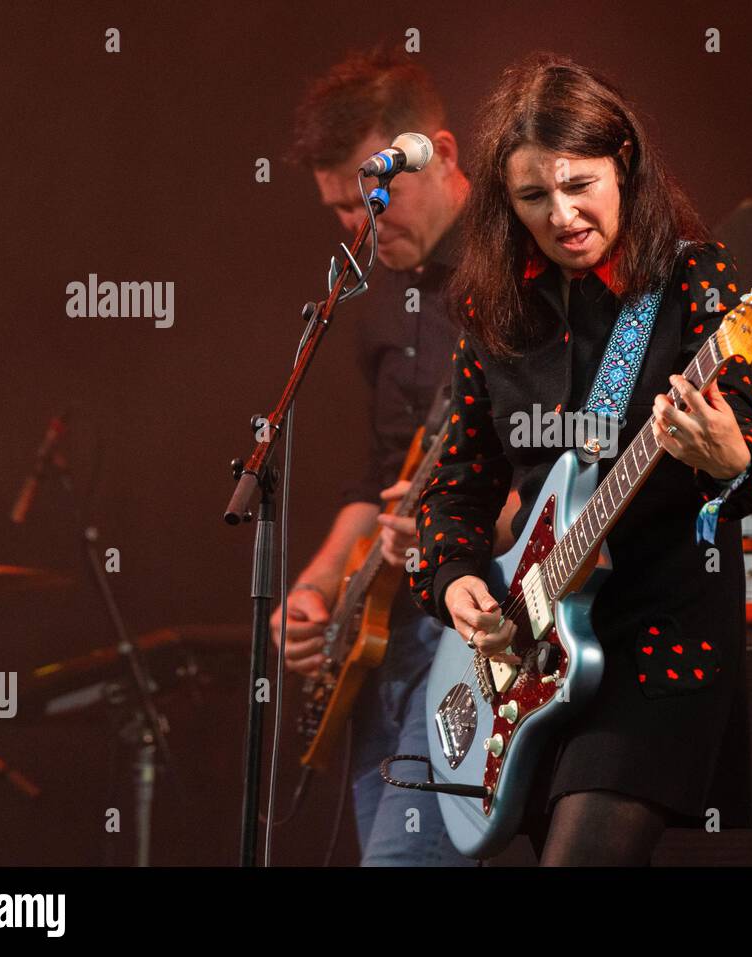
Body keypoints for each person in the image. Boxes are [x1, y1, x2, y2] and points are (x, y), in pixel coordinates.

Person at [409, 53, 752, 866]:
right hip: (539, 645)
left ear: (625, 166)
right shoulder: (491, 307)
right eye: (534, 196)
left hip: (663, 635)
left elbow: (749, 461)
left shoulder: (691, 278)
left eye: (581, 184)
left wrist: (730, 458)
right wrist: (455, 578)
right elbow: (455, 485)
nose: (563, 214)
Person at [276, 47, 509, 866]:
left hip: (478, 623)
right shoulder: (371, 305)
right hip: (381, 636)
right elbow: (379, 478)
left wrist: (475, 510)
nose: (361, 225)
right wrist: (317, 584)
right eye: (342, 209)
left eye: (376, 197)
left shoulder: (524, 267)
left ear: (442, 155)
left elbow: (571, 440)